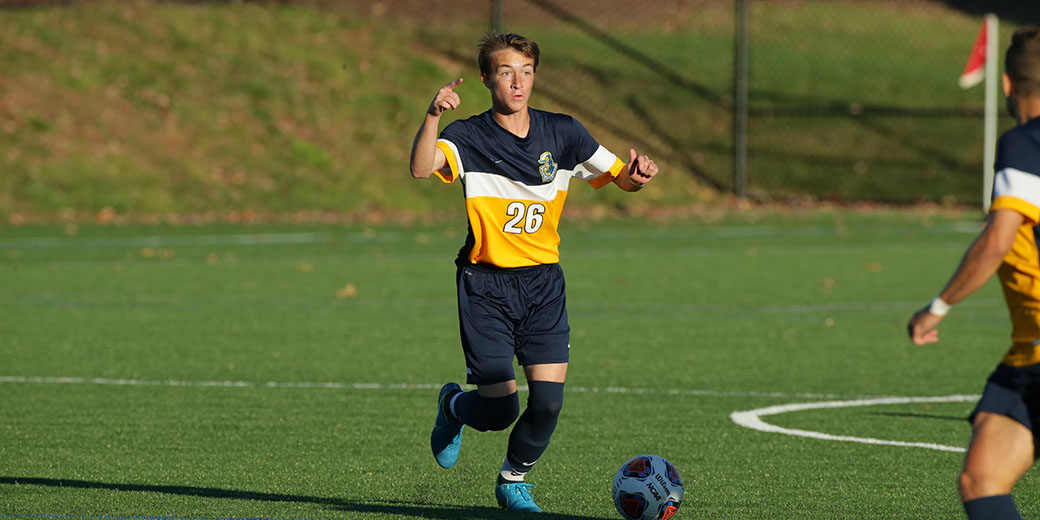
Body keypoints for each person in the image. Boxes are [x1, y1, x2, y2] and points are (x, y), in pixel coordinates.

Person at [408, 32, 658, 512]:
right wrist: (433, 115)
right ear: (487, 79)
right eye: (505, 72)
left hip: (543, 285)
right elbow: (422, 168)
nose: (517, 82)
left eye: (525, 71)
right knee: (501, 409)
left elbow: (619, 178)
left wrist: (638, 175)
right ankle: (454, 407)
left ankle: (513, 481)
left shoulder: (564, 133)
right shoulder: (468, 135)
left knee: (546, 404)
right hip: (486, 286)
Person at [907, 26, 1040, 520]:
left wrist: (937, 307)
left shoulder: (1026, 144)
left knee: (983, 479)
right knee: (982, 477)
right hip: (1030, 352)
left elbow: (997, 241)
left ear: (1007, 85)